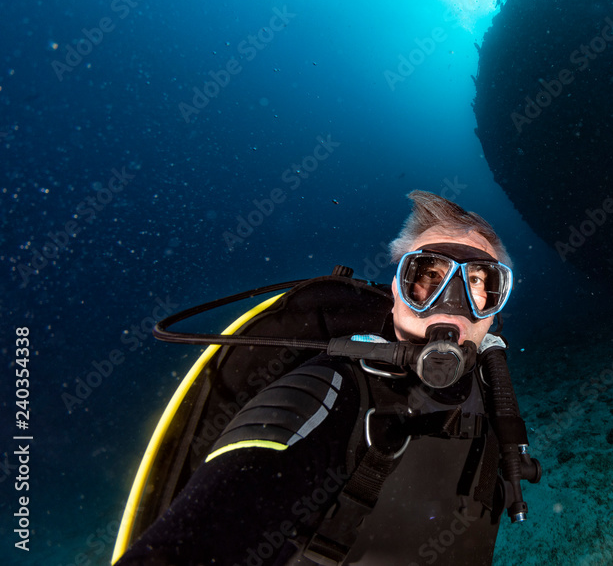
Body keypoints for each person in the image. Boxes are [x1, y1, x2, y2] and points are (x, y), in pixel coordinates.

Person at [115, 190, 533, 566]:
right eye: (429, 276)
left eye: (476, 281)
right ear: (396, 292)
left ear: (494, 307)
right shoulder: (326, 393)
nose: (452, 302)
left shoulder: (490, 388)